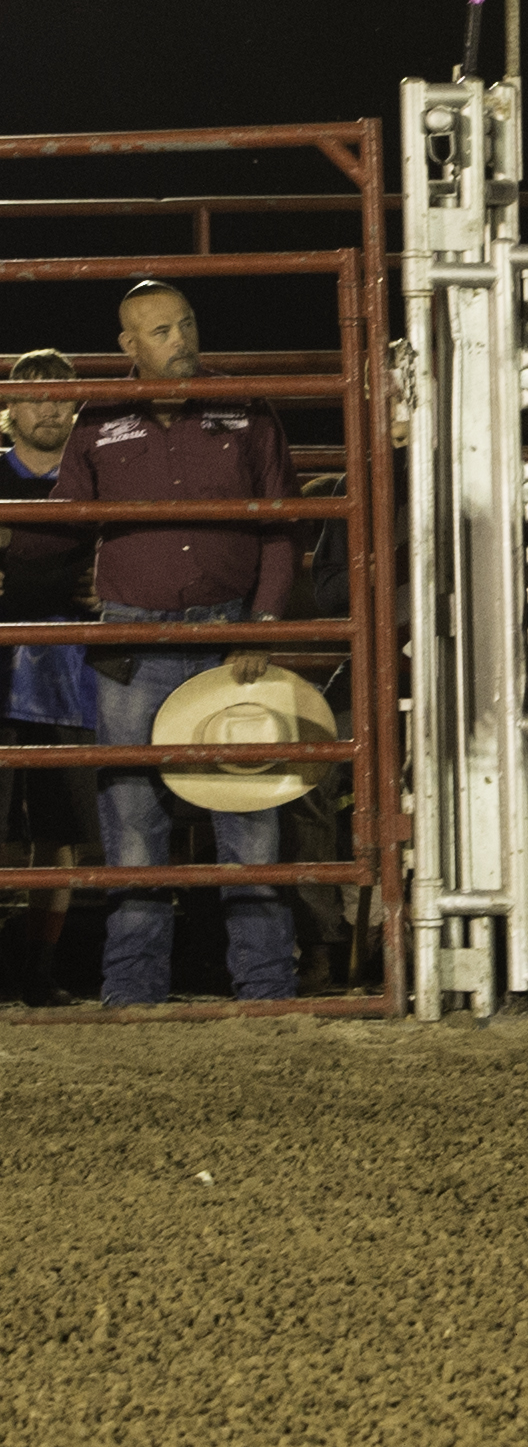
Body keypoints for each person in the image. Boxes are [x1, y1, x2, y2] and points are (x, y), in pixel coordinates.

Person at [50, 282, 297, 1004]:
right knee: (131, 821)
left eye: (186, 324)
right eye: (161, 331)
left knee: (248, 811)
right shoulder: (98, 416)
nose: (180, 340)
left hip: (229, 636)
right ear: (129, 347)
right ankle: (132, 994)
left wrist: (264, 623)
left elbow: (281, 523)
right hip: (133, 636)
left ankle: (266, 989)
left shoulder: (246, 407)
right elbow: (66, 522)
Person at [0, 352, 95, 994]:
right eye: (33, 396)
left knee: (60, 830)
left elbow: (112, 568)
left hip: (70, 674)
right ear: (10, 408)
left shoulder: (96, 477)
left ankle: (38, 972)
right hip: (5, 664)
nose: (48, 406)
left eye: (60, 395)